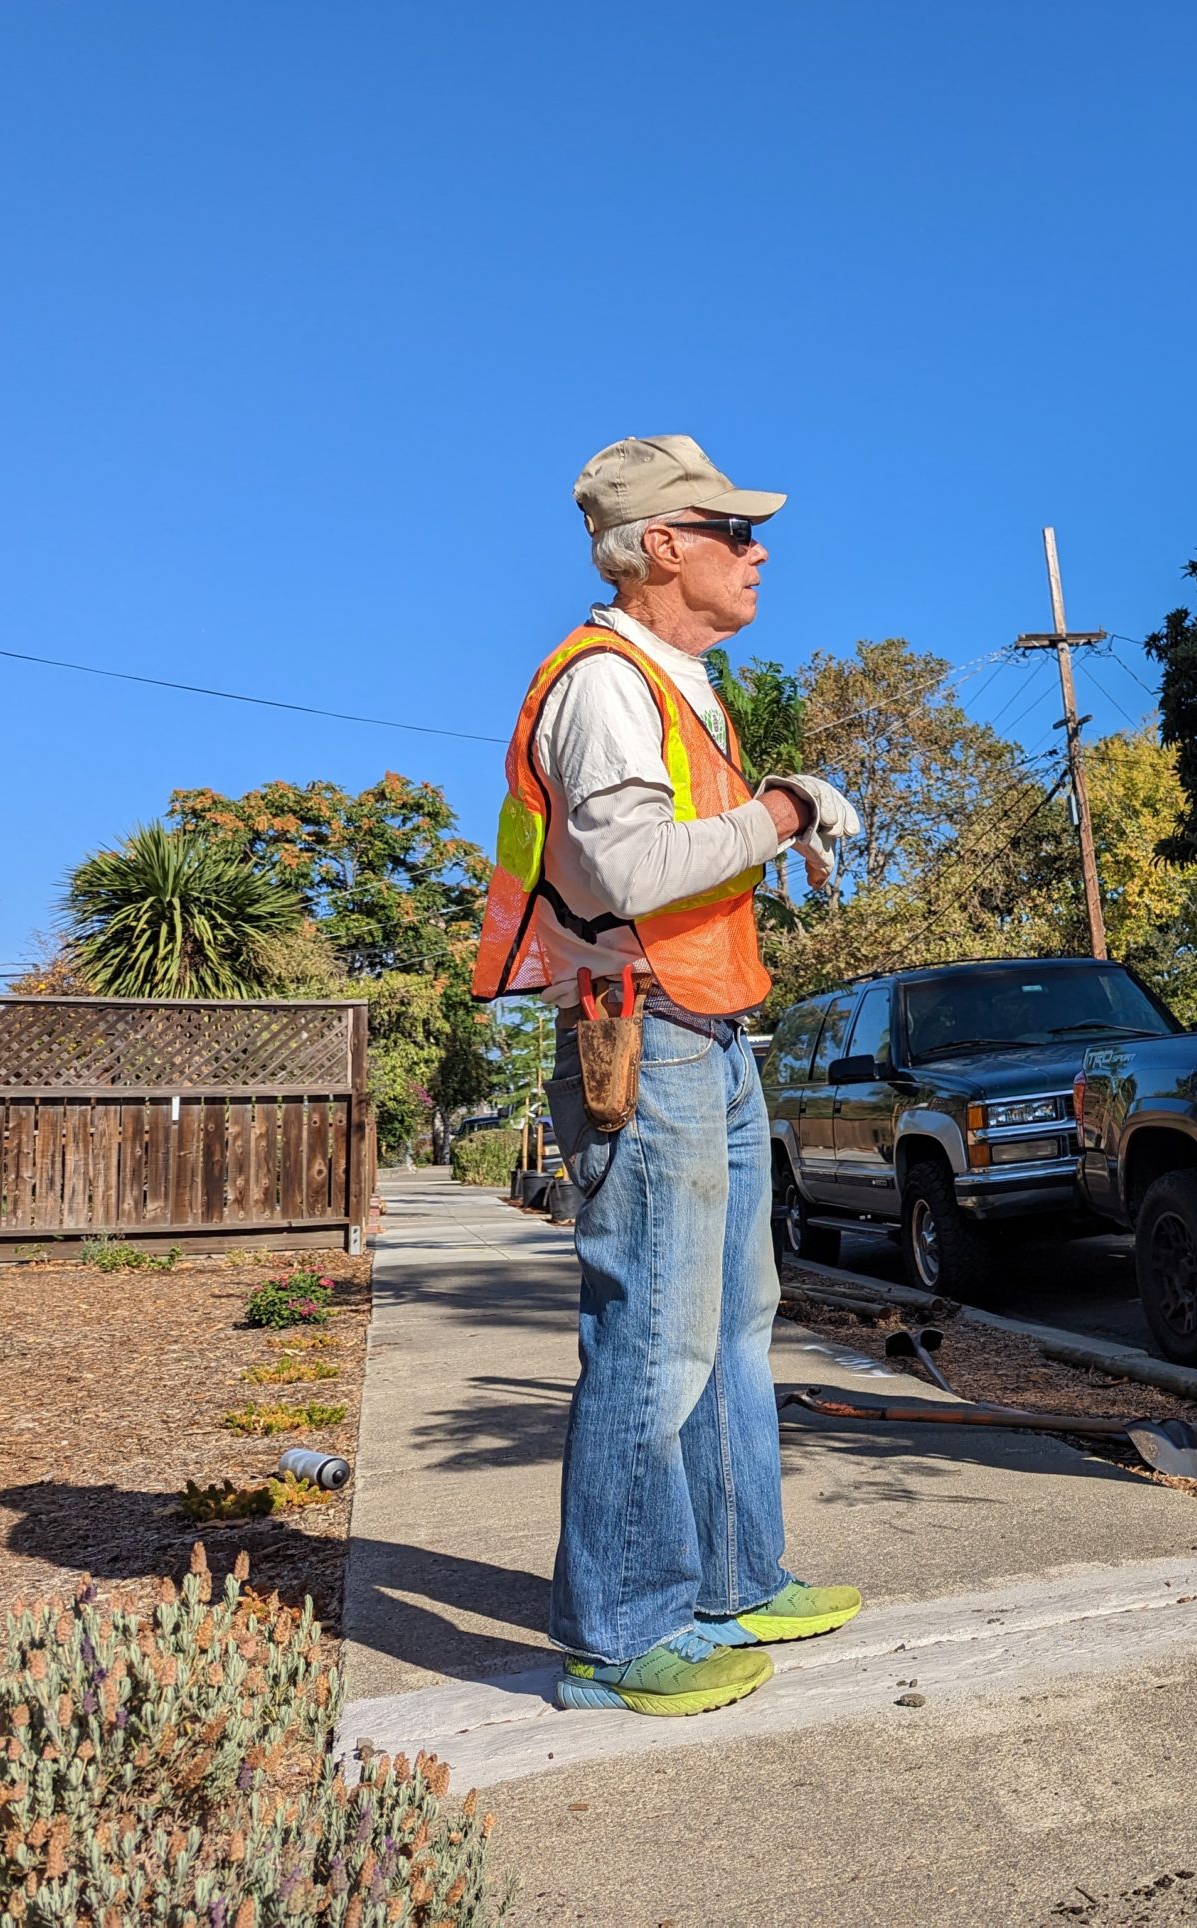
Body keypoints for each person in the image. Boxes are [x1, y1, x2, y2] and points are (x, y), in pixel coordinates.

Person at [470, 434, 865, 1716]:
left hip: (707, 1035)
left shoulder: (677, 681)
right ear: (660, 548)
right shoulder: (605, 683)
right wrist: (787, 812)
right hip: (642, 1040)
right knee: (651, 1340)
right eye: (731, 528)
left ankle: (733, 1578)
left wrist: (772, 804)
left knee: (732, 1327)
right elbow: (631, 872)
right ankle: (622, 1630)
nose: (758, 549)